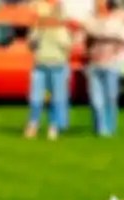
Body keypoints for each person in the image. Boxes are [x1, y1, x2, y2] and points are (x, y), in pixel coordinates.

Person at [83, 0, 124, 137]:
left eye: (101, 3)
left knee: (110, 97)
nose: (98, 5)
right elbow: (88, 38)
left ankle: (110, 128)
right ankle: (100, 129)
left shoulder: (117, 20)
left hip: (111, 64)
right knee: (96, 100)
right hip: (94, 64)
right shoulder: (92, 20)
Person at [25, 0, 76, 139]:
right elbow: (30, 45)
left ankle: (53, 127)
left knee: (57, 99)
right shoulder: (38, 28)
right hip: (40, 65)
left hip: (57, 66)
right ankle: (33, 124)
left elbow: (68, 46)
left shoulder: (62, 30)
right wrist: (38, 33)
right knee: (35, 98)